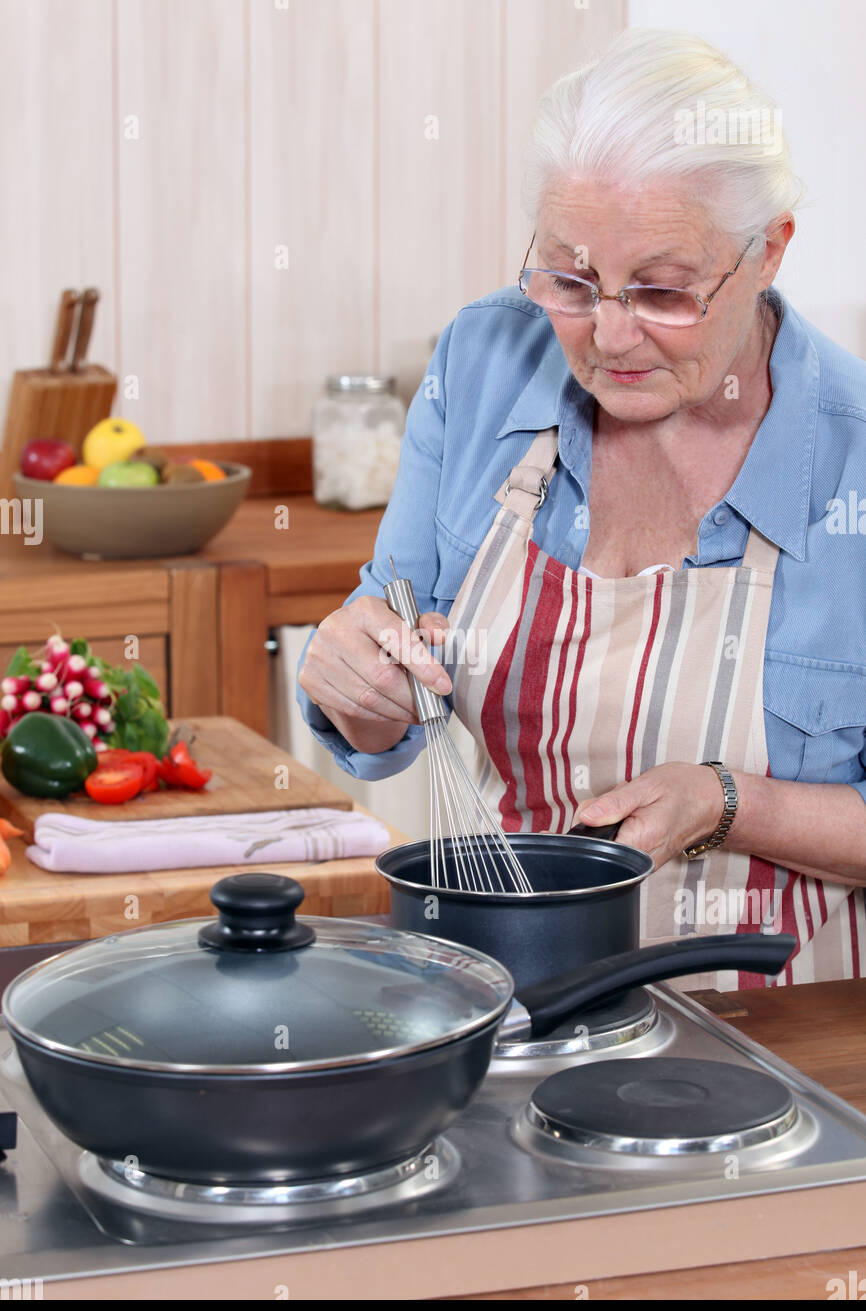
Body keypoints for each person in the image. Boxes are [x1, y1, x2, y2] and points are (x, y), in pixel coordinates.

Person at [298, 29, 866, 987]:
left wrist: (727, 803)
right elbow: (391, 671)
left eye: (662, 291)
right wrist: (357, 683)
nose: (607, 336)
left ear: (768, 251)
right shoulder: (482, 364)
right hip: (511, 1004)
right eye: (570, 280)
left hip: (786, 1035)